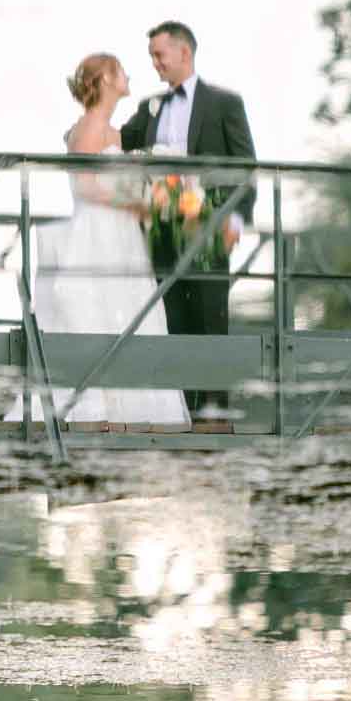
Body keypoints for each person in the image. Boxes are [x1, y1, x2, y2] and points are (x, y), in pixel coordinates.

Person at [4, 53, 190, 431]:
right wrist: (135, 201)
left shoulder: (111, 130)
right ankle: (96, 405)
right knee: (100, 309)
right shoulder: (88, 128)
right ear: (105, 79)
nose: (127, 75)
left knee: (131, 311)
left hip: (120, 231)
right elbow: (87, 188)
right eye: (120, 70)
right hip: (98, 231)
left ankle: (132, 407)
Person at [119, 22, 256, 416]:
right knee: (171, 318)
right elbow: (119, 142)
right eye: (151, 57)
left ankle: (214, 412)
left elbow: (246, 166)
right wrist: (86, 127)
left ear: (184, 53)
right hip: (161, 229)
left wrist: (236, 221)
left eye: (158, 55)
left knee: (211, 317)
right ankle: (179, 411)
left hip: (210, 226)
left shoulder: (225, 103)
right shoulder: (150, 106)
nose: (155, 64)